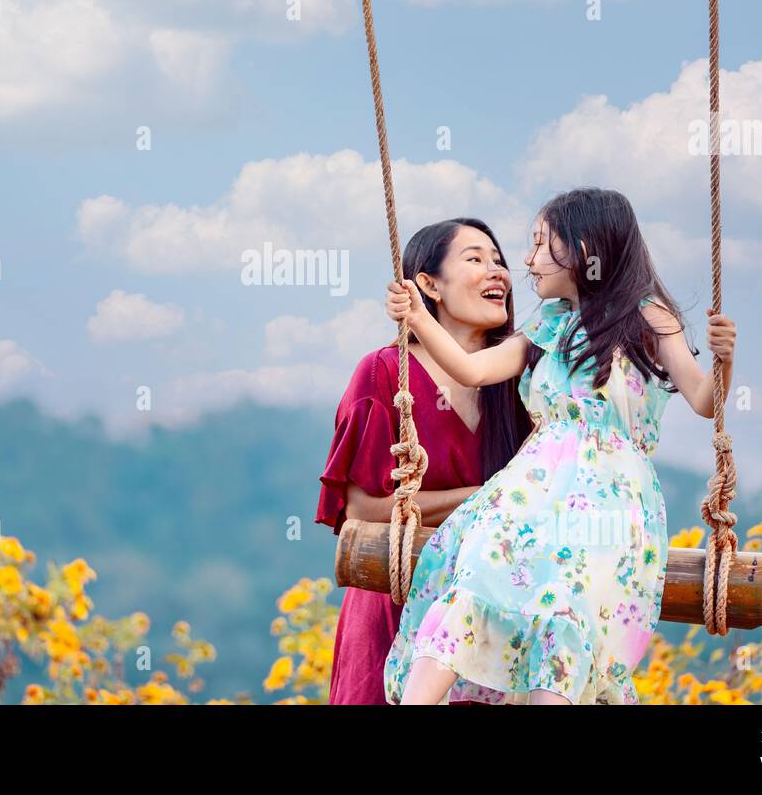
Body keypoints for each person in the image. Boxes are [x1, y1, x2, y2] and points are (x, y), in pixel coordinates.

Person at [382, 187, 738, 705]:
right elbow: (474, 369)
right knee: (480, 575)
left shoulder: (649, 318)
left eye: (541, 243)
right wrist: (417, 319)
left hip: (610, 500)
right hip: (533, 490)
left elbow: (706, 400)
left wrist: (726, 361)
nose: (526, 260)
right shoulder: (547, 327)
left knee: (568, 608)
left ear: (583, 249)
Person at [316, 218, 534, 705]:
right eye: (475, 259)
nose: (497, 271)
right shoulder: (385, 372)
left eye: (499, 260)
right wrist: (481, 499)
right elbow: (361, 509)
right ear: (428, 285)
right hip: (393, 604)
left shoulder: (522, 383)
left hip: (487, 611)